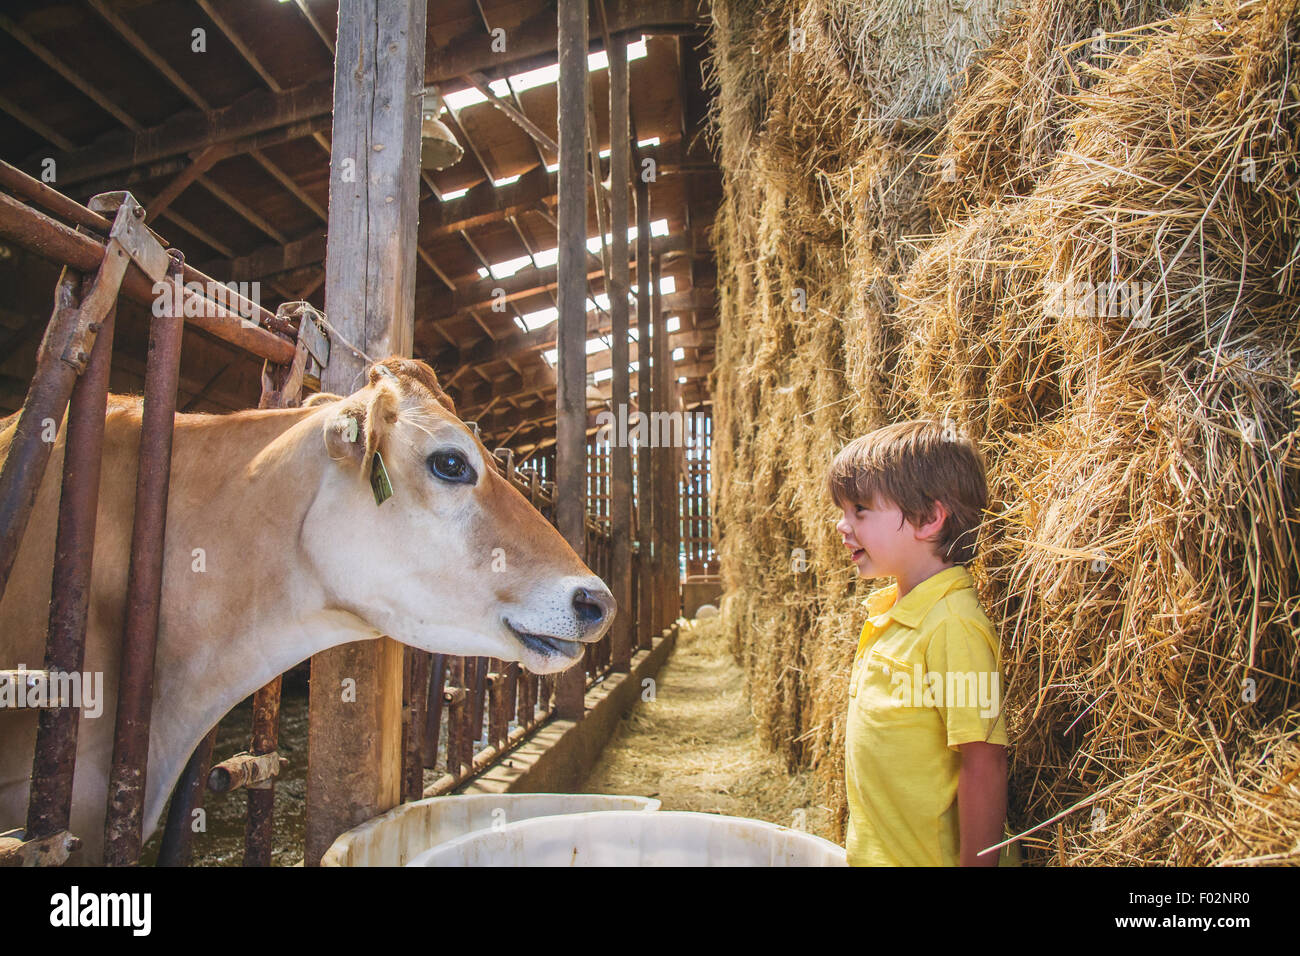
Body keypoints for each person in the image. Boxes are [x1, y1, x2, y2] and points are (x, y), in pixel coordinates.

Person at [828, 420, 1019, 866]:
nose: (842, 525)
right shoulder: (889, 613)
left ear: (928, 519)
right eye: (842, 510)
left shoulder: (953, 626)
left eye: (859, 509)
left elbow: (984, 762)